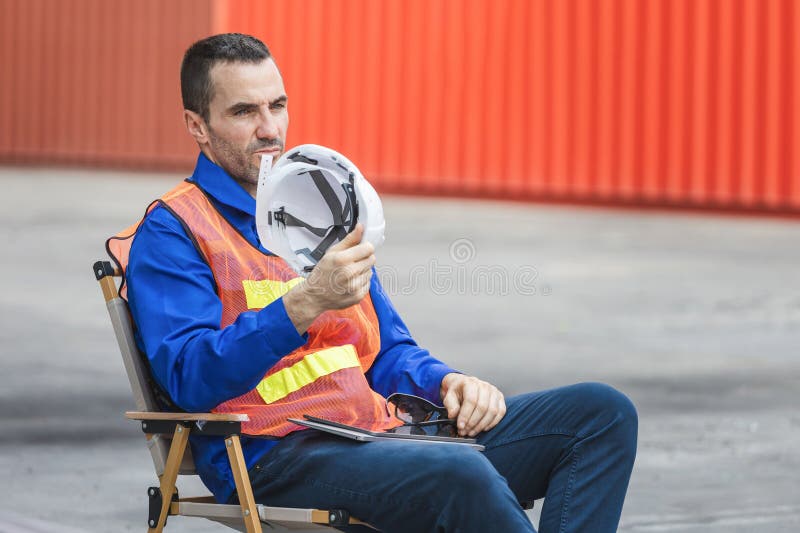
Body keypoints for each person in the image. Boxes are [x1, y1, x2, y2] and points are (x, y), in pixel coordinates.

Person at [111, 33, 637, 532]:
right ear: (197, 126)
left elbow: (384, 351)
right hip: (273, 454)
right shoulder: (175, 230)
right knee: (461, 475)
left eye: (278, 105)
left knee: (601, 414)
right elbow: (188, 377)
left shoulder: (317, 203)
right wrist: (303, 305)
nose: (270, 128)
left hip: (376, 434)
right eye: (244, 111)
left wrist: (447, 383)